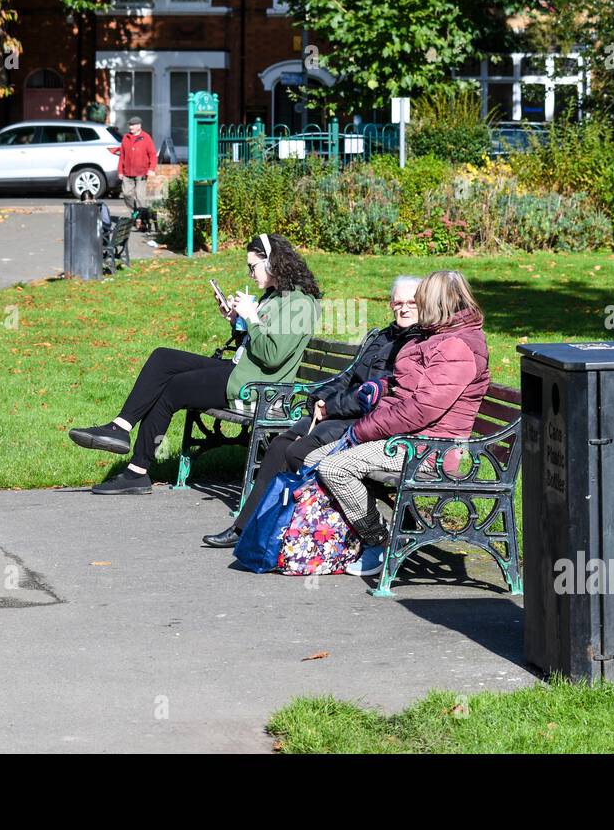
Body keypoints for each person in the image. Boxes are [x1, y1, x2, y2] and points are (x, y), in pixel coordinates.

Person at [69, 233, 321, 495]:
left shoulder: (301, 303)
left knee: (173, 388)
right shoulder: (276, 296)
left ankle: (136, 472)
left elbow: (272, 354)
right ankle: (120, 427)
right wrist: (236, 319)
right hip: (243, 371)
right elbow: (255, 343)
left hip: (259, 388)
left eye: (253, 267)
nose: (250, 274)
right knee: (163, 358)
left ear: (272, 262)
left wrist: (252, 317)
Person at [202, 275, 423, 548]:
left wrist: (330, 407)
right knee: (280, 444)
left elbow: (381, 396)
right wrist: (319, 399)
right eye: (398, 302)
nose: (403, 308)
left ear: (424, 304)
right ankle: (246, 527)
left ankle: (292, 531)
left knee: (298, 453)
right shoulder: (382, 337)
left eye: (411, 302)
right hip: (343, 413)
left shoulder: (416, 346)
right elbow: (349, 376)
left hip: (368, 422)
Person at [301, 270, 490, 576]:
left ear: (437, 302)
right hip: (411, 439)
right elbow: (406, 389)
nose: (416, 307)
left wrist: (362, 430)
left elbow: (420, 410)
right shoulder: (436, 337)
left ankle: (379, 541)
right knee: (312, 458)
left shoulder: (456, 346)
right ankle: (361, 533)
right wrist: (381, 392)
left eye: (421, 300)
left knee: (335, 467)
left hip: (432, 451)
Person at [117, 117, 156, 232]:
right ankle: (135, 213)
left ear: (139, 125)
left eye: (133, 125)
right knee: (127, 194)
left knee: (140, 197)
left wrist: (151, 169)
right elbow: (122, 156)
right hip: (127, 173)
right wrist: (120, 171)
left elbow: (152, 155)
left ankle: (141, 220)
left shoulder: (146, 137)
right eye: (130, 125)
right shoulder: (126, 137)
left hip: (141, 173)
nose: (130, 127)